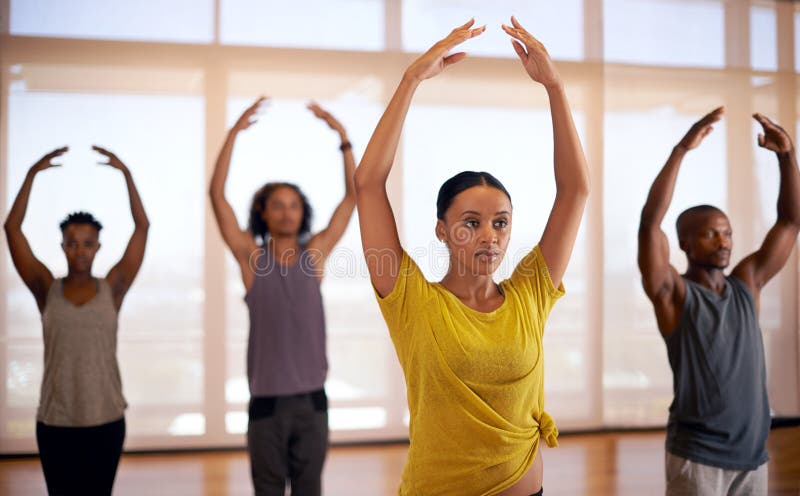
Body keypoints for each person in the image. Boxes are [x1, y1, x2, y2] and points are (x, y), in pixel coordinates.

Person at [354, 17, 590, 496]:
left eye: (500, 222)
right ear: (442, 231)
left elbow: (575, 191)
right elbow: (367, 185)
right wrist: (410, 80)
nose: (489, 235)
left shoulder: (531, 293)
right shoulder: (412, 300)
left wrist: (555, 88)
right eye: (471, 222)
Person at [637, 107, 800, 496]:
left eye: (727, 233)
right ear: (686, 244)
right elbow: (650, 224)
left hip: (752, 457)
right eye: (711, 234)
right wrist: (681, 149)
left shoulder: (748, 283)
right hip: (697, 457)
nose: (724, 241)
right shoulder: (672, 293)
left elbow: (791, 223)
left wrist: (787, 155)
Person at [208, 97, 356, 496]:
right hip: (266, 405)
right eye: (278, 205)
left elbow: (352, 198)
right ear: (264, 212)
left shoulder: (316, 253)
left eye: (293, 205)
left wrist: (343, 138)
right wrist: (234, 133)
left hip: (311, 403)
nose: (287, 212)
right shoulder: (251, 258)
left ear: (301, 212)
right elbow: (216, 196)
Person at [4, 145, 149, 495]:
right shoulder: (45, 289)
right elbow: (11, 228)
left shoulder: (112, 288)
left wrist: (127, 175)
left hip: (106, 419)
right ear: (63, 246)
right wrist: (31, 174)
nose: (80, 250)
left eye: (87, 243)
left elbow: (142, 227)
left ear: (98, 247)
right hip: (56, 421)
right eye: (72, 243)